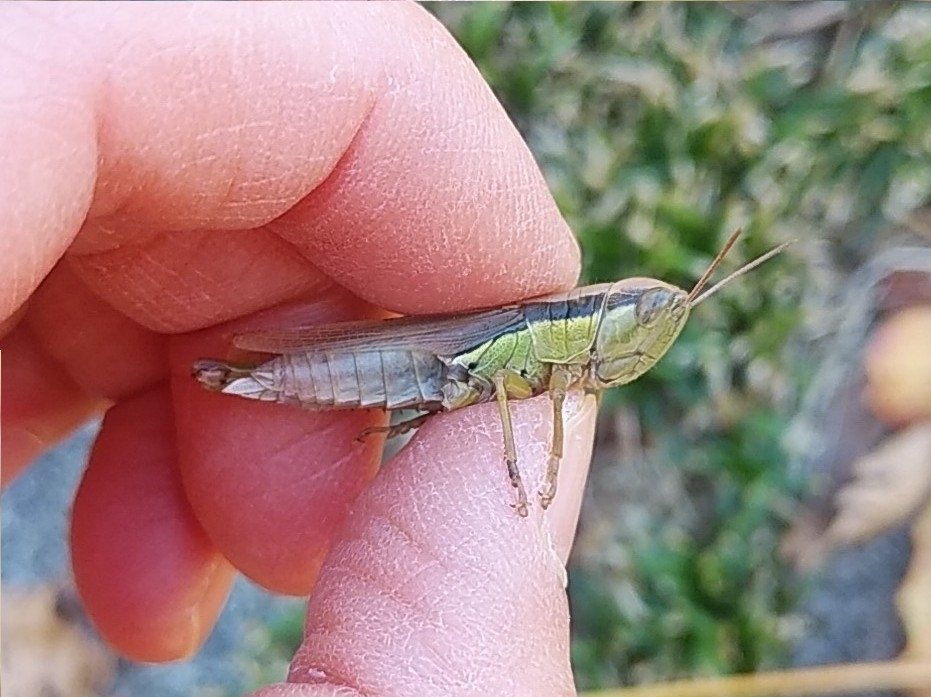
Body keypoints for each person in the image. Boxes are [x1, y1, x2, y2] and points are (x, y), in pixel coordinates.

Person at [1, 4, 596, 695]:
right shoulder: (536, 334)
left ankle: (236, 376)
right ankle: (238, 374)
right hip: (408, 358)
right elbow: (475, 376)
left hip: (421, 369)